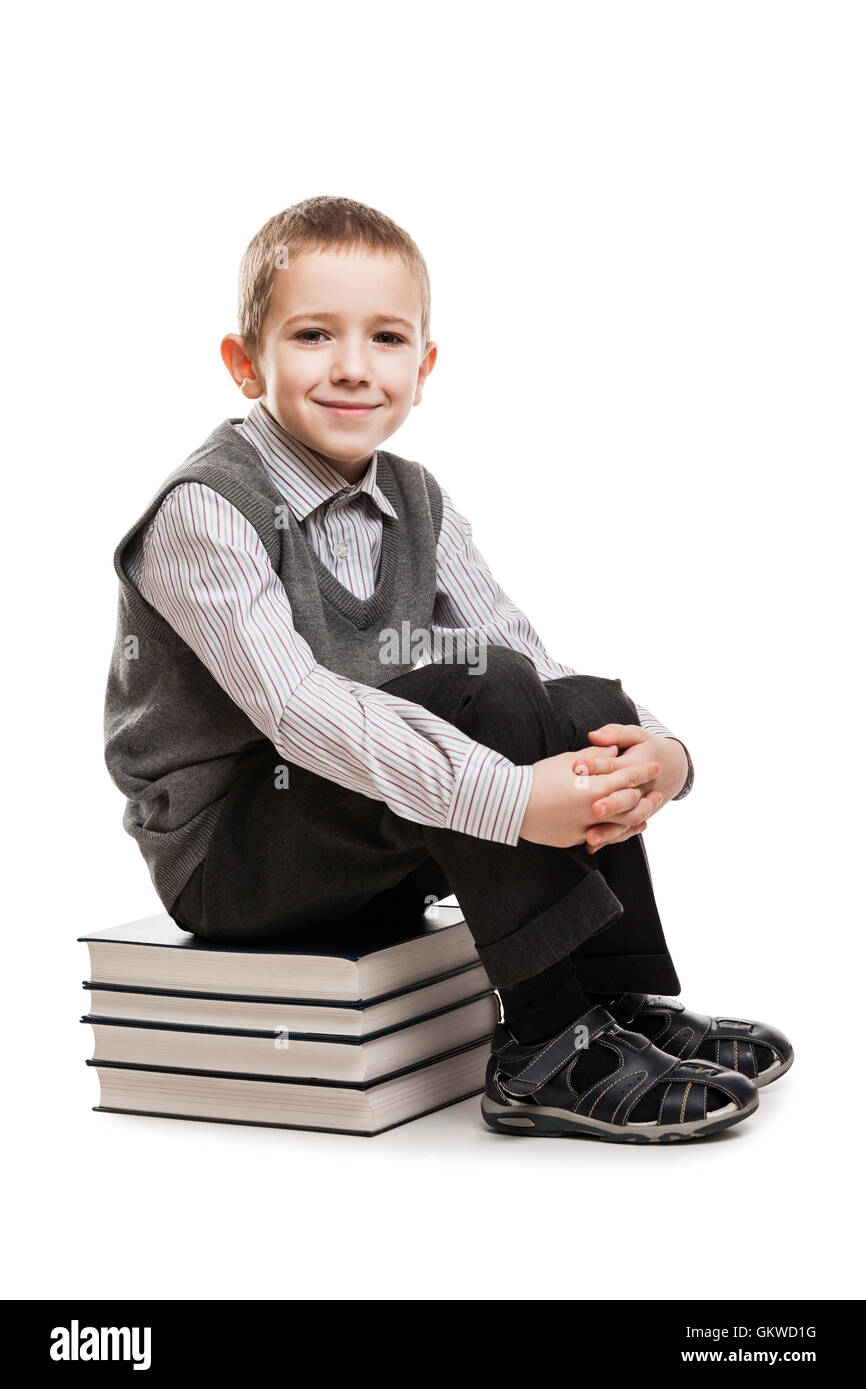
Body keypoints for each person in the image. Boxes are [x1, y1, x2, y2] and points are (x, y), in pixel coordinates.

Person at [104, 195, 793, 1143]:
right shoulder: (208, 510)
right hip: (238, 854)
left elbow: (532, 656)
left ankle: (611, 1002)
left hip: (365, 829)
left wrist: (661, 755)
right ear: (244, 361)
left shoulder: (416, 499)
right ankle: (545, 1044)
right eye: (312, 335)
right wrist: (512, 802)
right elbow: (299, 711)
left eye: (386, 338)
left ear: (422, 370)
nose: (352, 366)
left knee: (569, 696)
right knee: (488, 691)